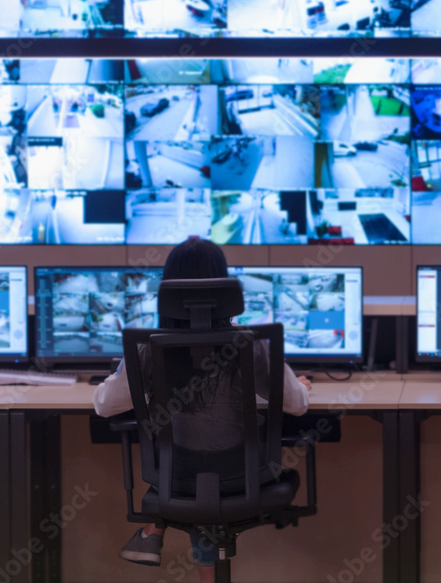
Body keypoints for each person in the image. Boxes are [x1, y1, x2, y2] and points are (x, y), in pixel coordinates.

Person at [93, 238, 311, 583]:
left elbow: (105, 406)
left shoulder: (147, 347)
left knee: (195, 466)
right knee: (218, 460)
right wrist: (295, 386)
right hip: (244, 478)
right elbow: (297, 406)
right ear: (225, 287)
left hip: (175, 480)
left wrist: (128, 384)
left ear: (167, 289)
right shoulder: (254, 345)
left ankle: (155, 532)